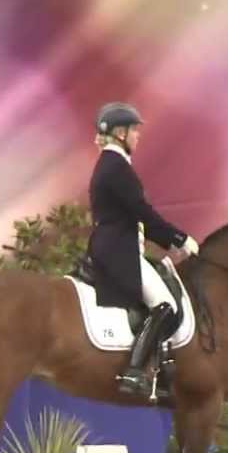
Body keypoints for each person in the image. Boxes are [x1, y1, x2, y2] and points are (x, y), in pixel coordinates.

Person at [86, 101, 200, 397]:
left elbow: (136, 217)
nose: (139, 136)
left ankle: (159, 366)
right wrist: (179, 238)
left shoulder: (112, 164)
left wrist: (169, 243)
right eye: (134, 130)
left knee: (162, 284)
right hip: (118, 251)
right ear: (120, 133)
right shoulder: (116, 166)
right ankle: (134, 372)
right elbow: (142, 211)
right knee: (165, 305)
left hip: (116, 246)